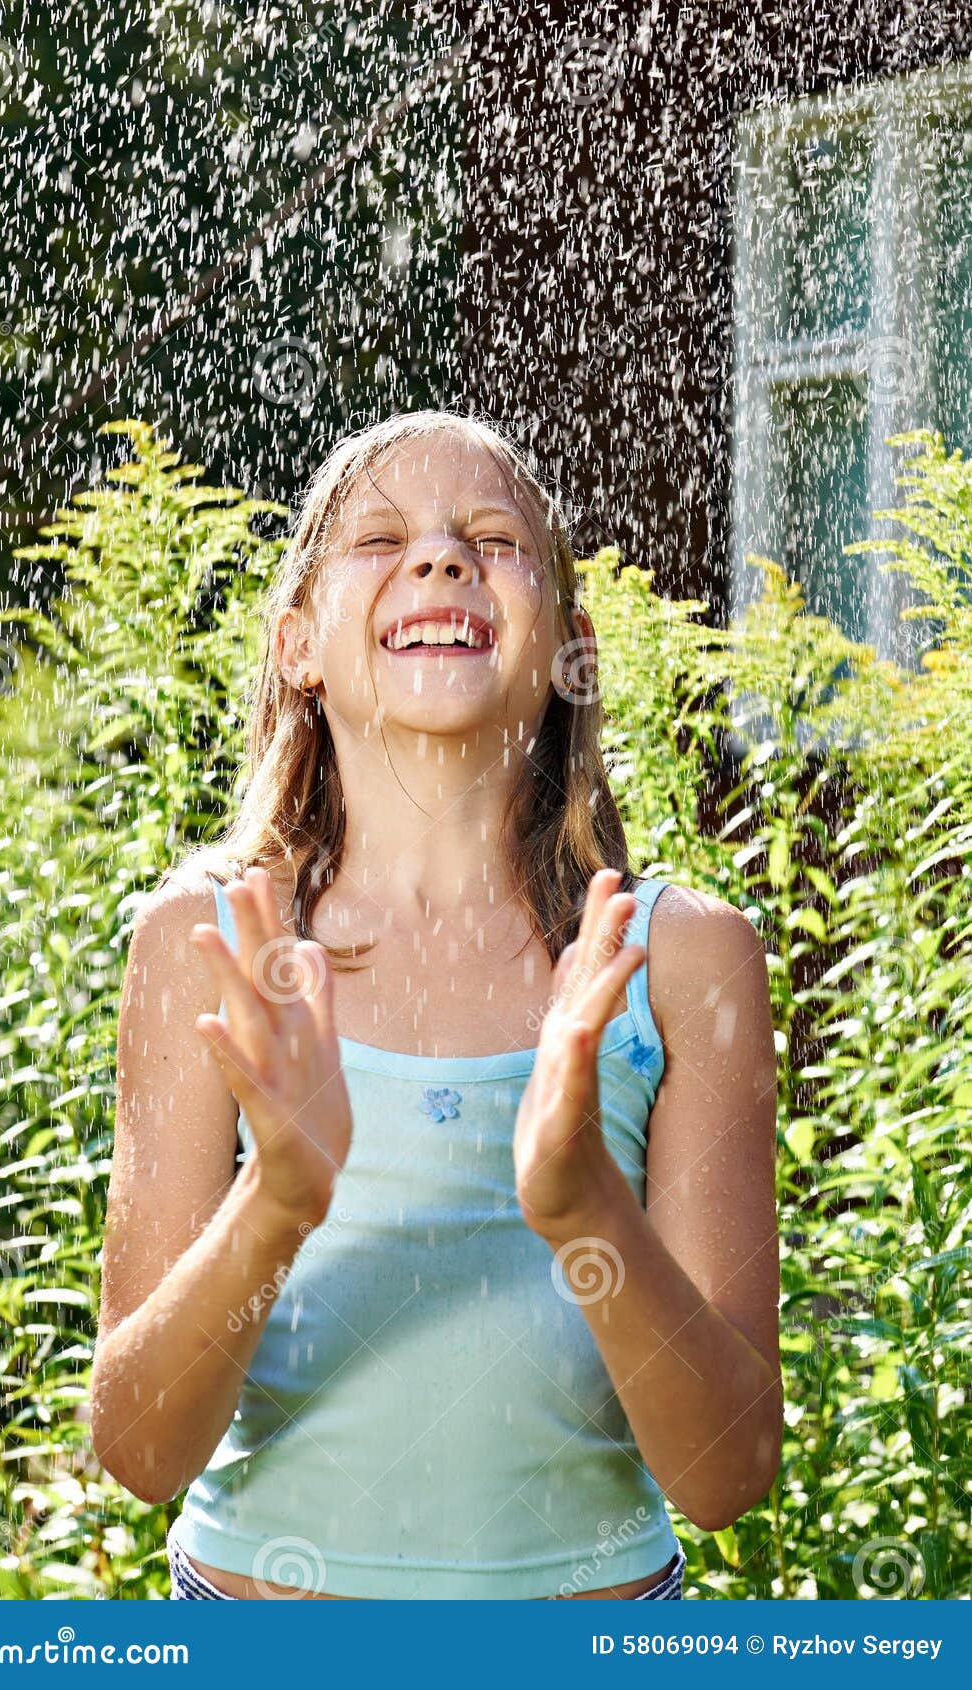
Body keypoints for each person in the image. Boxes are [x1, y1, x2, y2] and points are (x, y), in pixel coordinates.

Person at [91, 408, 781, 1601]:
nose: (440, 557)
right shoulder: (204, 943)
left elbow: (725, 1473)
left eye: (489, 537)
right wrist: (278, 1198)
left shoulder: (675, 962)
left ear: (568, 646)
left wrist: (581, 1209)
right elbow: (141, 1450)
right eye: (379, 537)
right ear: (297, 643)